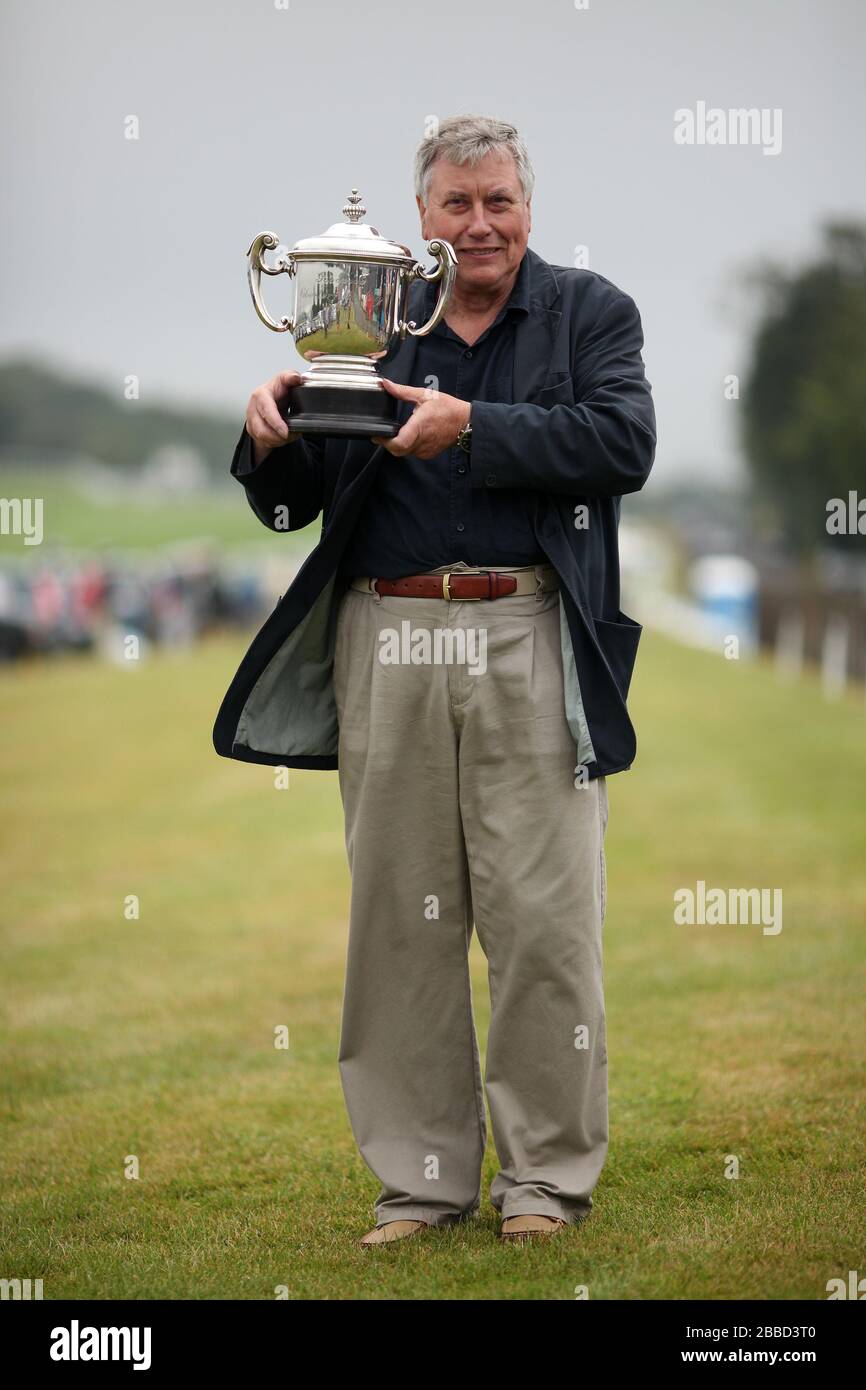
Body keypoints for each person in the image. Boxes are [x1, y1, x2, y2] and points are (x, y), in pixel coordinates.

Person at [213, 114, 656, 1247]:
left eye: (496, 200)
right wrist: (268, 437)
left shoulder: (588, 315)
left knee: (544, 920)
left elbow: (620, 443)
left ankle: (543, 1181)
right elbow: (300, 493)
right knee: (399, 924)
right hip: (387, 638)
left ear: (526, 204)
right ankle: (420, 1183)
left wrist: (471, 432)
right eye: (455, 205)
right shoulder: (376, 315)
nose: (477, 224)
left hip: (526, 630)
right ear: (419, 220)